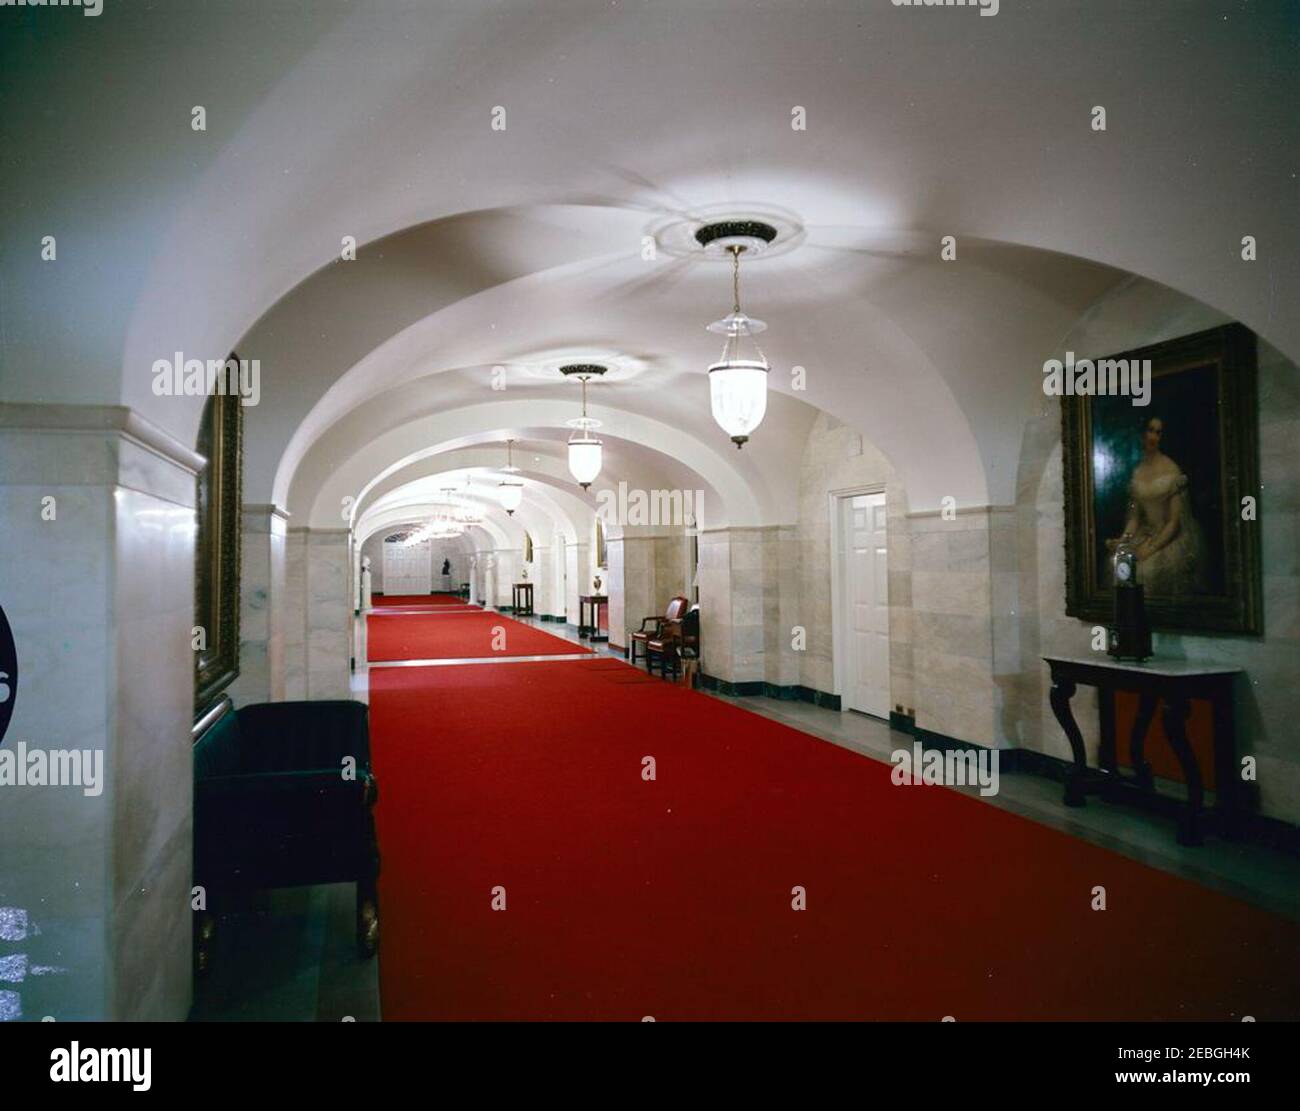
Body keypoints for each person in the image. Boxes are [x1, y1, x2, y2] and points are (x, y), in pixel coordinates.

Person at [1105, 416, 1209, 596]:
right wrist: (1124, 540)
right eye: (1150, 430)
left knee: (1147, 571)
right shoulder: (1137, 471)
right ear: (1142, 434)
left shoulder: (1171, 469)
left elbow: (1174, 523)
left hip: (1169, 538)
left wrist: (1150, 549)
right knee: (1115, 563)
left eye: (1158, 432)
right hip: (1145, 534)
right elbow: (1135, 518)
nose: (1153, 436)